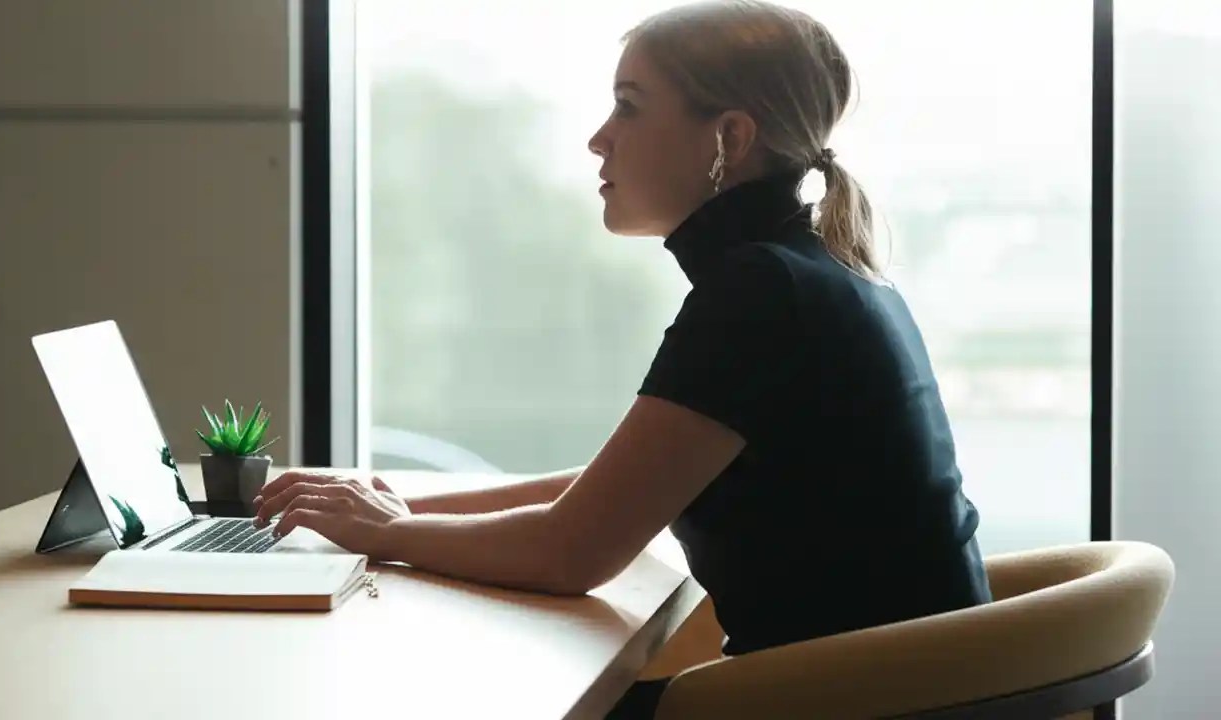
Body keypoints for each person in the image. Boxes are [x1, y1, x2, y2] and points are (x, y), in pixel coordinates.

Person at [252, 1, 992, 717]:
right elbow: (626, 487)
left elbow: (574, 550)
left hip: (854, 703)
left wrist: (386, 533)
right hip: (901, 692)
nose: (599, 139)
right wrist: (394, 506)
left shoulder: (761, 291)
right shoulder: (812, 268)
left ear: (729, 138)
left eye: (630, 107)